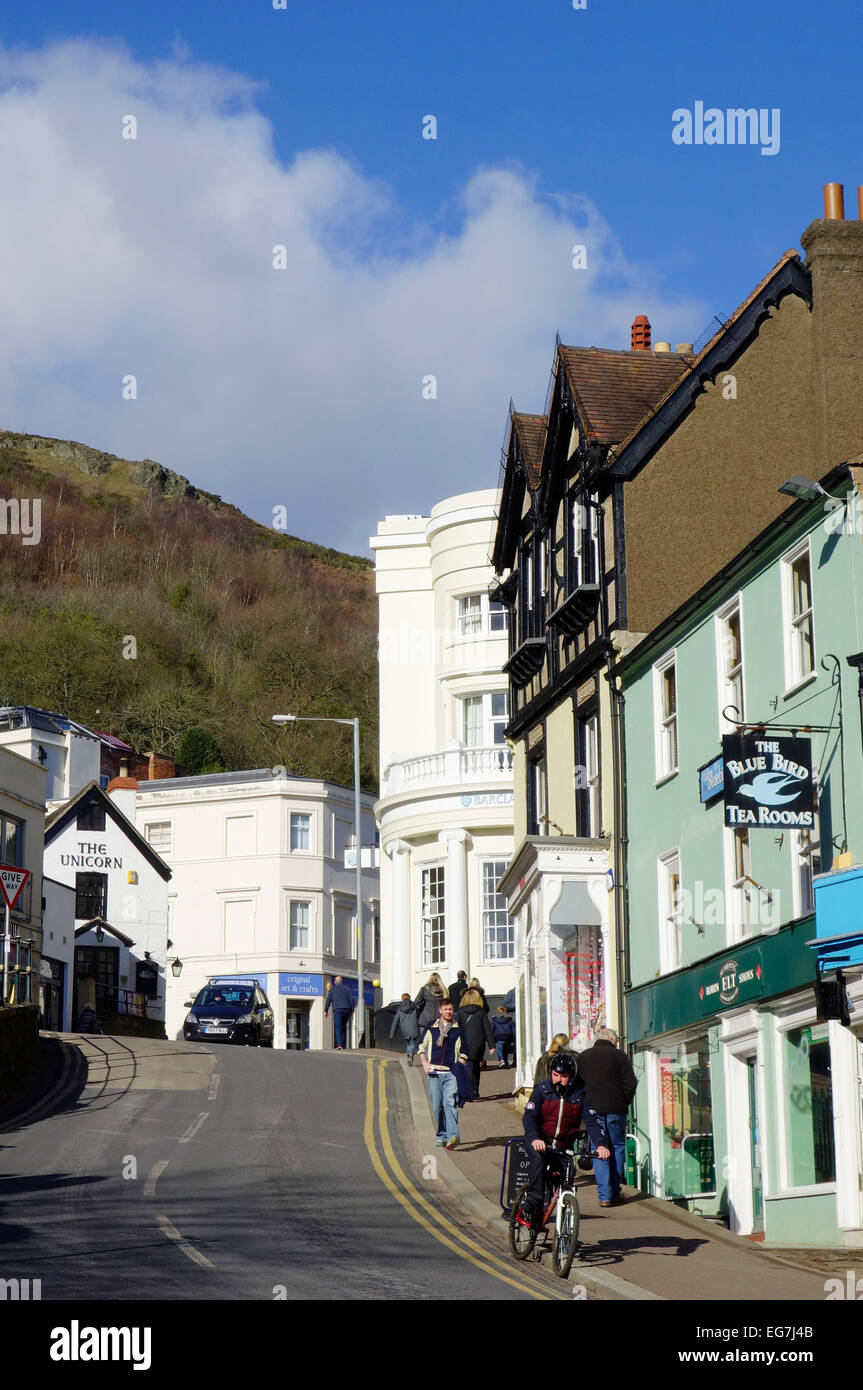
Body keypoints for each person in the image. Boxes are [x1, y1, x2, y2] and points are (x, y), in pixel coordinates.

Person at [518, 1054, 601, 1225]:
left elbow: (592, 1121)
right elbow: (529, 1117)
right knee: (539, 1162)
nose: (558, 1079)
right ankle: (532, 1200)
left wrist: (601, 1145)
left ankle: (565, 1236)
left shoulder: (581, 1093)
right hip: (540, 1141)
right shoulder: (542, 1090)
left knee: (563, 1180)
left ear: (571, 1077)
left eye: (563, 1076)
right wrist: (534, 1138)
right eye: (555, 1075)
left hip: (564, 1146)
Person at [576, 1027, 638, 1206]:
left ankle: (604, 1196)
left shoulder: (583, 1057)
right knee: (617, 1147)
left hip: (592, 1110)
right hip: (615, 1109)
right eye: (617, 1042)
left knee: (599, 1149)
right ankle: (615, 1191)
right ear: (612, 1040)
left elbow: (576, 1084)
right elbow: (630, 1082)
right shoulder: (619, 1056)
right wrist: (623, 1102)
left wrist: (583, 1104)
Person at [418, 998, 470, 1149]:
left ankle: (453, 1136)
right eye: (445, 1009)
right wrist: (424, 1063)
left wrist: (460, 1063)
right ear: (440, 1010)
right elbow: (421, 1047)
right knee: (437, 1107)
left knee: (450, 1103)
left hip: (451, 1073)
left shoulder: (458, 1029)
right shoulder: (431, 1028)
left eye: (451, 1009)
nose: (448, 1012)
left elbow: (465, 1049)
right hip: (434, 1073)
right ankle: (441, 1135)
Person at [455, 988, 495, 1096]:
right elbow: (487, 1029)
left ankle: (468, 1089)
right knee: (476, 1066)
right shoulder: (481, 1012)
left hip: (464, 1043)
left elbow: (456, 1029)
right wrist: (492, 1045)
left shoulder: (459, 1012)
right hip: (478, 1043)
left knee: (466, 1065)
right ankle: (475, 1090)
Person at [324, 975, 354, 1051]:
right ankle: (343, 1045)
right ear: (342, 982)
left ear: (334, 982)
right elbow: (351, 1001)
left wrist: (326, 1011)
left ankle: (339, 1045)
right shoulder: (347, 990)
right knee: (343, 1026)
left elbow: (328, 1001)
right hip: (346, 1010)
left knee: (338, 1027)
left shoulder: (332, 990)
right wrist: (352, 1011)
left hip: (337, 1010)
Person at [389, 992, 420, 1064]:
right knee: (413, 1043)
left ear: (402, 999)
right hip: (413, 1028)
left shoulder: (400, 1009)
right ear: (409, 998)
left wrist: (392, 1034)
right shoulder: (415, 1007)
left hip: (404, 1029)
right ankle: (410, 1056)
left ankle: (409, 1055)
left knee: (408, 1043)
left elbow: (395, 1022)